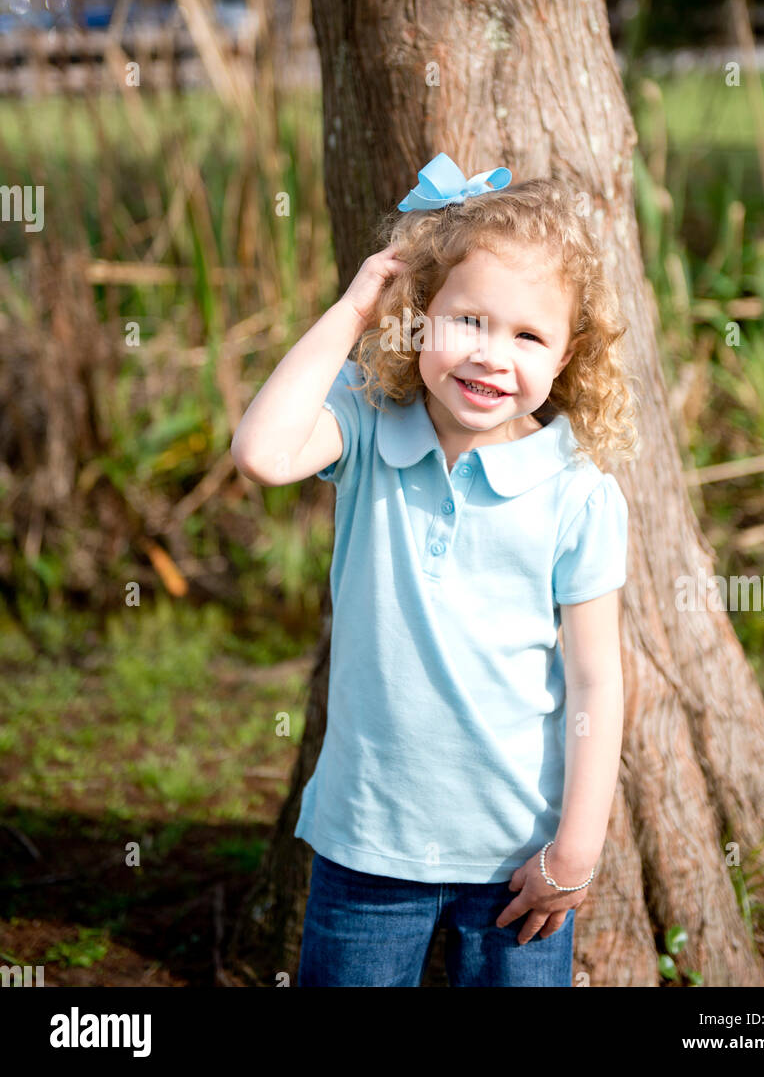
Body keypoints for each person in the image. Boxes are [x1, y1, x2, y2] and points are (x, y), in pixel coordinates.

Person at [231, 152, 637, 987]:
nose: (493, 356)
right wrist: (351, 309)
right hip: (368, 846)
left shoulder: (576, 494)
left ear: (565, 358)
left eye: (528, 336)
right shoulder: (370, 429)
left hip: (518, 860)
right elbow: (263, 453)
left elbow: (597, 680)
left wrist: (576, 848)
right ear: (417, 318)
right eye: (469, 322)